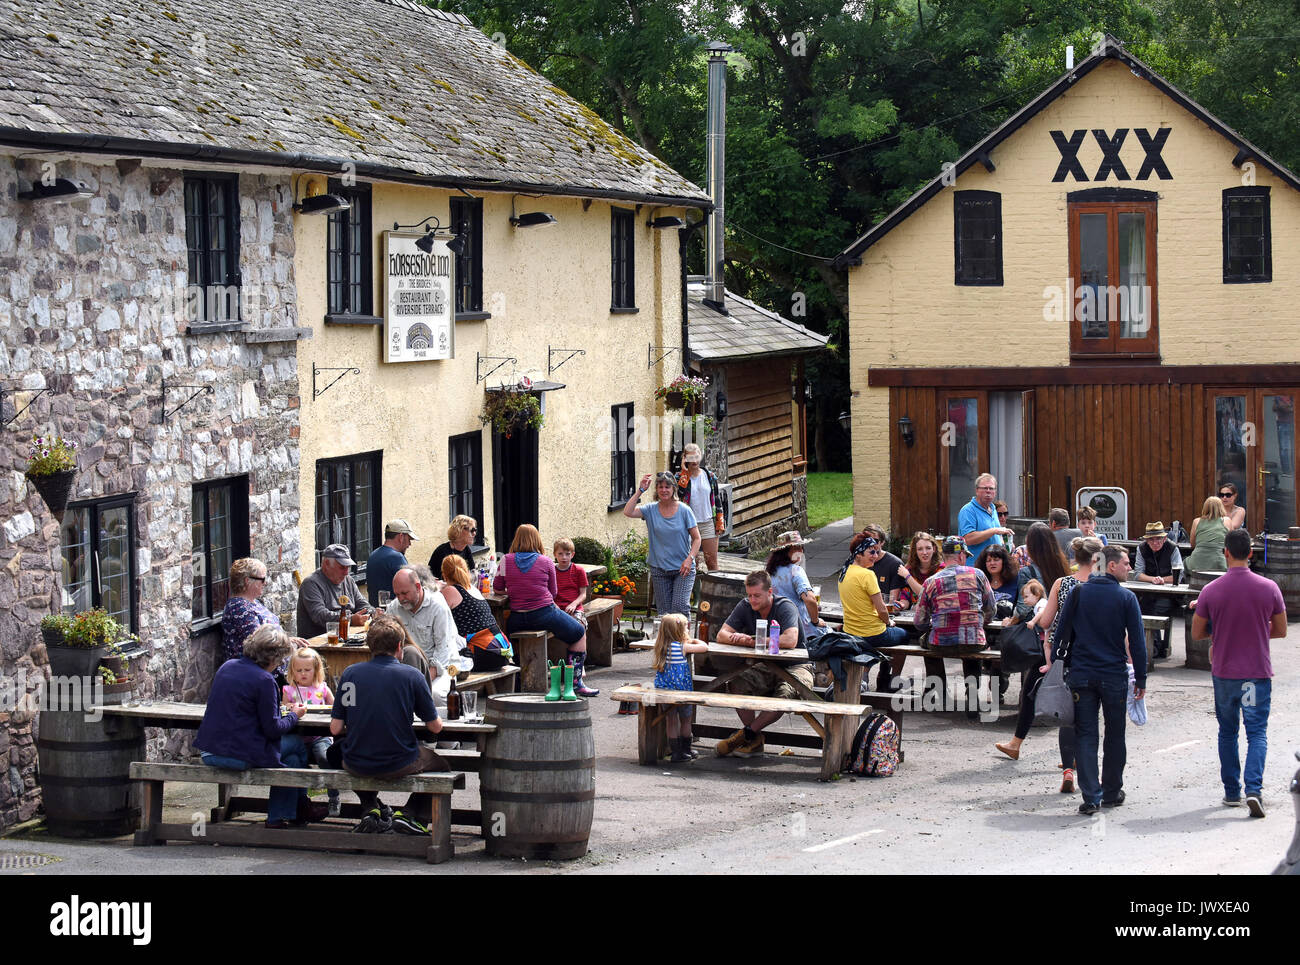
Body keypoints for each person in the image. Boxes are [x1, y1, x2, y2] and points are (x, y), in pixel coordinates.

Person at [1191, 527, 1286, 817]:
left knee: (1228, 732)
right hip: (1256, 671)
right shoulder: (1269, 588)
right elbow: (1280, 630)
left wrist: (1219, 627)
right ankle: (1253, 789)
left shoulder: (1211, 590)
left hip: (1225, 672)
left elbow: (1197, 633)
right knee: (1256, 733)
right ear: (1251, 554)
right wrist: (1255, 628)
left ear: (1226, 553)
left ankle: (1232, 792)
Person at [994, 536, 1102, 791]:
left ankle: (1028, 749)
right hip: (1092, 655)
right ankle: (1080, 763)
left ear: (1075, 558)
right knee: (1086, 711)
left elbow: (1046, 622)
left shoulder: (1062, 584)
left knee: (1034, 693)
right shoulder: (1103, 585)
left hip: (1058, 654)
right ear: (1098, 559)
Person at [194, 625, 323, 829]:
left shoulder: (227, 666)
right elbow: (273, 729)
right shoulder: (264, 680)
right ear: (273, 658)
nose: (280, 665)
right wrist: (294, 715)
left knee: (291, 759)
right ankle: (300, 806)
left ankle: (282, 817)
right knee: (297, 746)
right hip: (238, 754)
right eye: (280, 661)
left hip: (209, 750)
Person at [328, 614, 446, 834]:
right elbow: (435, 727)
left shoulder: (350, 674)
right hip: (398, 760)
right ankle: (411, 815)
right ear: (400, 647)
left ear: (369, 646)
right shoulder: (411, 676)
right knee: (443, 767)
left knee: (334, 753)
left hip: (357, 760)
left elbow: (335, 728)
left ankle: (370, 806)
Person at [1052, 545, 1147, 815]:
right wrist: (1140, 677)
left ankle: (1091, 795)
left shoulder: (1078, 592)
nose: (1130, 567)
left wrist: (1063, 666)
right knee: (1115, 734)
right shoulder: (1126, 598)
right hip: (1113, 675)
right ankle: (1112, 791)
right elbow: (1138, 644)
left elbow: (1062, 633)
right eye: (1126, 563)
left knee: (1086, 734)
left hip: (1082, 674)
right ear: (1112, 565)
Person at [713, 570, 812, 758]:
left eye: (757, 595)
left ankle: (744, 735)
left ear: (770, 592)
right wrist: (742, 639)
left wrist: (754, 640)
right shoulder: (745, 605)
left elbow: (790, 640)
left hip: (796, 665)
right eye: (749, 595)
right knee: (736, 683)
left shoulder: (785, 606)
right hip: (766, 665)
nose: (753, 600)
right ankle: (754, 739)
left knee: (785, 696)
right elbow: (721, 635)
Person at [494, 524, 597, 696]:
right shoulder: (546, 561)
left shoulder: (505, 560)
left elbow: (497, 588)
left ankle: (519, 681)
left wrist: (513, 591)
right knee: (579, 632)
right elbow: (553, 592)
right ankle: (576, 683)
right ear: (537, 540)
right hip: (544, 613)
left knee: (516, 643)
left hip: (516, 618)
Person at [623, 471, 702, 618]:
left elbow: (697, 539)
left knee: (679, 608)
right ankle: (665, 641)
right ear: (656, 490)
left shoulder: (685, 510)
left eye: (667, 487)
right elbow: (628, 512)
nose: (664, 490)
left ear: (673, 489)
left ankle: (683, 640)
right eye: (660, 487)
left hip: (683, 569)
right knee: (664, 613)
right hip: (659, 568)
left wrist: (689, 559)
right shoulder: (650, 509)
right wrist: (640, 490)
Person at [390, 566, 470, 705]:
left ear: (417, 586)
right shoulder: (393, 607)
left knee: (435, 695)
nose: (401, 599)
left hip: (440, 666)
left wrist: (422, 679)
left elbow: (443, 649)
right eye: (397, 594)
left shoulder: (437, 605)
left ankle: (439, 726)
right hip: (407, 666)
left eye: (404, 593)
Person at [280, 647, 340, 817]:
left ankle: (333, 794)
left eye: (307, 670)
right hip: (299, 736)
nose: (303, 674)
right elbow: (283, 709)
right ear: (292, 671)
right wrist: (288, 707)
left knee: (324, 758)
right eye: (299, 670)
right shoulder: (289, 691)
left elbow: (335, 707)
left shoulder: (322, 688)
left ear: (316, 670)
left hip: (319, 735)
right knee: (297, 762)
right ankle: (302, 799)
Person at [913, 535, 995, 654]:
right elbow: (991, 609)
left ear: (943, 556)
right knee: (973, 642)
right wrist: (978, 622)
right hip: (974, 643)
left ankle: (935, 673)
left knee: (926, 641)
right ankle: (972, 673)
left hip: (941, 643)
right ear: (961, 555)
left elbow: (919, 622)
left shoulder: (930, 582)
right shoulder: (978, 575)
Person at [652, 613, 709, 763]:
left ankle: (675, 752)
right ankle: (686, 749)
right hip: (682, 692)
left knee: (671, 720)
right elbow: (704, 647)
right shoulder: (682, 647)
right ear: (680, 631)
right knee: (685, 720)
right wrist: (695, 639)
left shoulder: (660, 647)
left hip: (665, 692)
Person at [440, 555, 510, 672]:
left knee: (443, 662)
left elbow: (438, 620)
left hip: (482, 652)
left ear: (444, 574)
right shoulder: (473, 588)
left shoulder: (449, 591)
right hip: (500, 649)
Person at [1133, 521, 1185, 659]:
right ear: (1147, 540)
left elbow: (1178, 575)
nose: (1155, 542)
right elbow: (1138, 574)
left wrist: (1163, 580)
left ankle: (1154, 646)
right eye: (1151, 539)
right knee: (1141, 606)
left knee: (1152, 609)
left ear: (1164, 538)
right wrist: (1153, 579)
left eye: (1158, 538)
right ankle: (1151, 646)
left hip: (1170, 596)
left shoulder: (1173, 548)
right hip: (1148, 594)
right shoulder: (1141, 549)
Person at [296, 544, 371, 639]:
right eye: (342, 567)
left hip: (347, 638)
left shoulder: (348, 580)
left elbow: (362, 604)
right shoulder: (311, 583)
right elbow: (320, 615)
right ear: (326, 564)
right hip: (317, 644)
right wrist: (350, 619)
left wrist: (370, 613)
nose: (346, 572)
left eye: (348, 567)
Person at [766, 530, 826, 640]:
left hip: (776, 628)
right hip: (802, 631)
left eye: (801, 547)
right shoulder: (796, 571)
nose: (801, 551)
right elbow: (811, 600)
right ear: (785, 552)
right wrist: (816, 621)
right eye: (796, 548)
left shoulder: (770, 572)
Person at [676, 442, 725, 572]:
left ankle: (713, 591)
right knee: (693, 564)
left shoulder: (710, 476)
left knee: (711, 561)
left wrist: (720, 521)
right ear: (685, 459)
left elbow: (717, 499)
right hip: (689, 525)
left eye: (696, 457)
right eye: (691, 458)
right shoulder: (680, 477)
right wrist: (685, 473)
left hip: (708, 522)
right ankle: (694, 592)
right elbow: (679, 494)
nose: (694, 461)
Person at [222, 557, 281, 662]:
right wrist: (287, 643)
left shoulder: (254, 602)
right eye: (262, 579)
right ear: (247, 581)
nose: (265, 583)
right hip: (256, 670)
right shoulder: (238, 607)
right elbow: (261, 642)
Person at [958, 473, 1013, 564]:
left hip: (993, 566)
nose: (988, 491)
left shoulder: (993, 509)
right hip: (975, 567)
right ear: (977, 490)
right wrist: (993, 531)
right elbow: (967, 539)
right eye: (984, 488)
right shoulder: (968, 510)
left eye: (991, 488)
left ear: (995, 492)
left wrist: (1006, 543)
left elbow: (997, 534)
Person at [862, 523, 922, 605]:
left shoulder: (894, 564)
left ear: (882, 542)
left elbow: (892, 601)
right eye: (866, 540)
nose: (870, 544)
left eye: (874, 541)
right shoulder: (858, 561)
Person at [366, 519, 419, 607]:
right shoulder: (396, 557)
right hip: (394, 613)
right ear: (401, 537)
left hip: (377, 612)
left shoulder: (373, 555)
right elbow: (412, 586)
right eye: (409, 539)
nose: (409, 544)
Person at [896, 532, 944, 610]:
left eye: (928, 548)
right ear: (915, 551)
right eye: (920, 549)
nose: (924, 553)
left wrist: (908, 577)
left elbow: (927, 595)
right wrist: (901, 605)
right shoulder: (910, 570)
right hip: (914, 617)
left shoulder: (941, 570)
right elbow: (906, 595)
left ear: (934, 549)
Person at [1186, 497, 1230, 575]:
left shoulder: (1196, 521)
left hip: (1197, 562)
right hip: (1218, 562)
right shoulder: (1226, 521)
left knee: (1182, 563)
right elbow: (1231, 543)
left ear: (1205, 507)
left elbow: (1193, 544)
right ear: (1221, 507)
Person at [975, 544, 1020, 619]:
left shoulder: (1016, 579)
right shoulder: (979, 581)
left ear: (1004, 562)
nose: (992, 563)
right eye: (988, 560)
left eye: (996, 560)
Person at [552, 538, 589, 627]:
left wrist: (574, 604)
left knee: (578, 626)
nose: (564, 557)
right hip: (556, 608)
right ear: (555, 554)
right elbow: (547, 593)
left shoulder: (578, 570)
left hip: (574, 608)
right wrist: (554, 606)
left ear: (572, 555)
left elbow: (583, 594)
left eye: (567, 554)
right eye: (560, 554)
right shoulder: (551, 571)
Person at [428, 516, 478, 582]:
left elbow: (473, 572)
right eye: (471, 530)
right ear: (459, 530)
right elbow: (444, 580)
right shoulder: (443, 551)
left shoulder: (466, 549)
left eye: (475, 530)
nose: (474, 533)